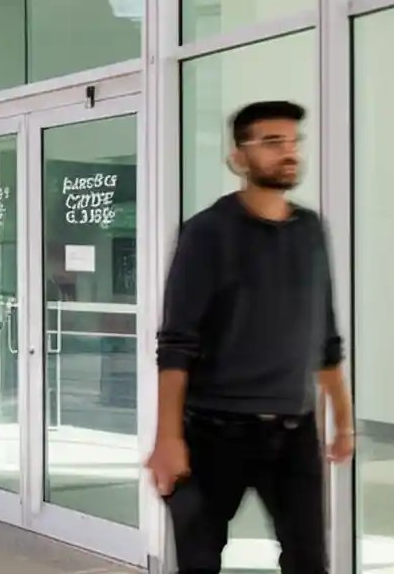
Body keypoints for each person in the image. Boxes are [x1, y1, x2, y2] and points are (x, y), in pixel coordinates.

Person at [146, 101, 354, 574]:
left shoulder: (310, 231)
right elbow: (176, 343)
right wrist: (167, 438)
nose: (289, 152)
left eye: (293, 141)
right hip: (214, 431)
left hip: (293, 432)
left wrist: (343, 419)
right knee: (199, 562)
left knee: (308, 561)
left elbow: (325, 337)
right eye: (272, 142)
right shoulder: (206, 234)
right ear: (238, 158)